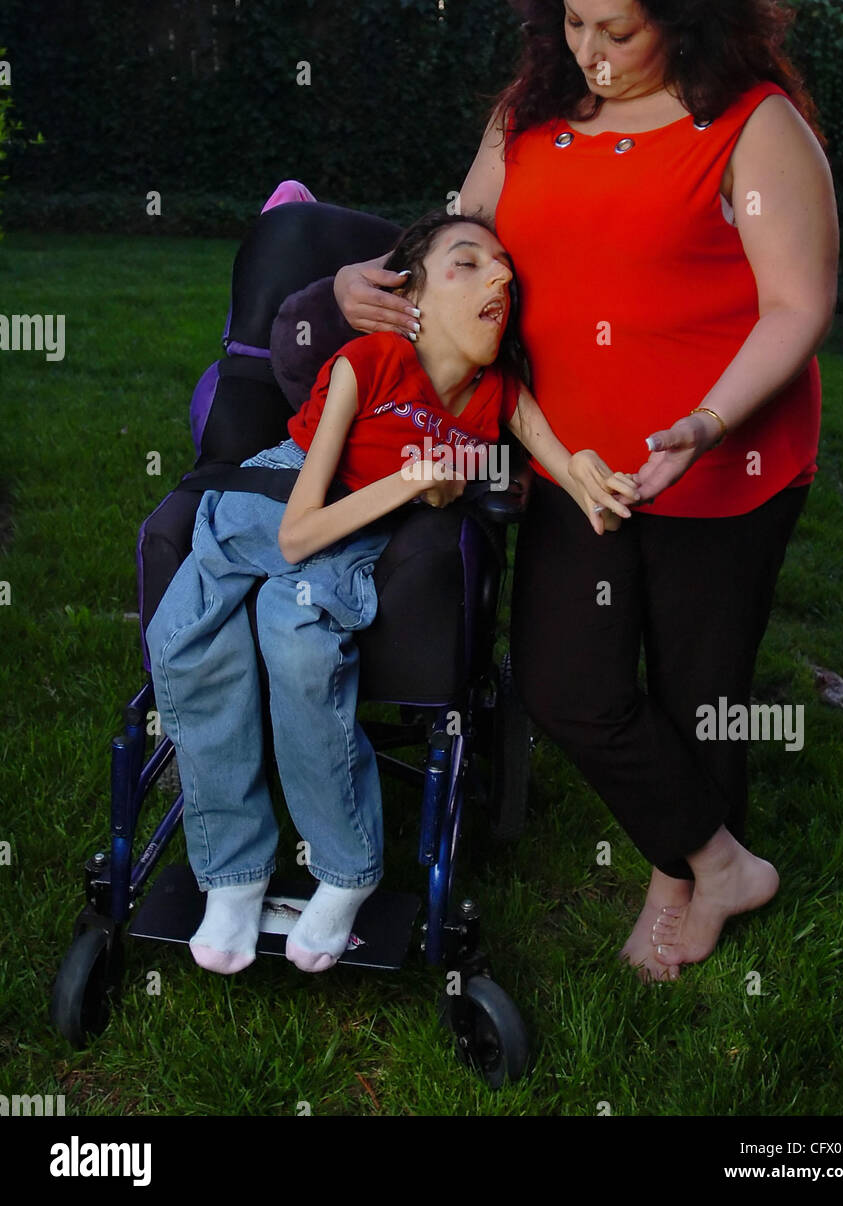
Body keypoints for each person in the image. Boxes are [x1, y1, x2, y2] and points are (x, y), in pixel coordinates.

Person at [332, 0, 839, 981]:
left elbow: (800, 302)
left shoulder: (753, 127)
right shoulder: (533, 115)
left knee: (699, 695)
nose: (591, 53)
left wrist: (703, 424)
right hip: (575, 457)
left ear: (685, 9)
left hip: (727, 465)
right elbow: (466, 235)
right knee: (567, 684)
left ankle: (683, 878)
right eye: (571, 21)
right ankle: (720, 859)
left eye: (618, 28)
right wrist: (367, 285)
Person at [147, 208, 638, 977]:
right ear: (411, 295)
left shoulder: (495, 395)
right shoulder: (367, 362)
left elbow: (548, 455)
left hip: (351, 536)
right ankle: (233, 876)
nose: (501, 277)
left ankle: (345, 870)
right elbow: (297, 533)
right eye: (467, 264)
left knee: (296, 643)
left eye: (504, 268)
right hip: (278, 500)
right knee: (190, 644)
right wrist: (413, 481)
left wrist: (586, 479)